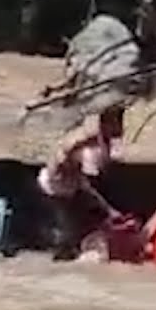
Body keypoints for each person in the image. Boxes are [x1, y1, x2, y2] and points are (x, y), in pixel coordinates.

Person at [37, 105, 126, 261]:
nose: (121, 127)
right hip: (55, 187)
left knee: (71, 225)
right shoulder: (90, 150)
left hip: (69, 185)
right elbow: (90, 185)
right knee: (67, 229)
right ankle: (61, 255)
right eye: (117, 122)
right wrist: (109, 210)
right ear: (106, 124)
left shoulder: (97, 141)